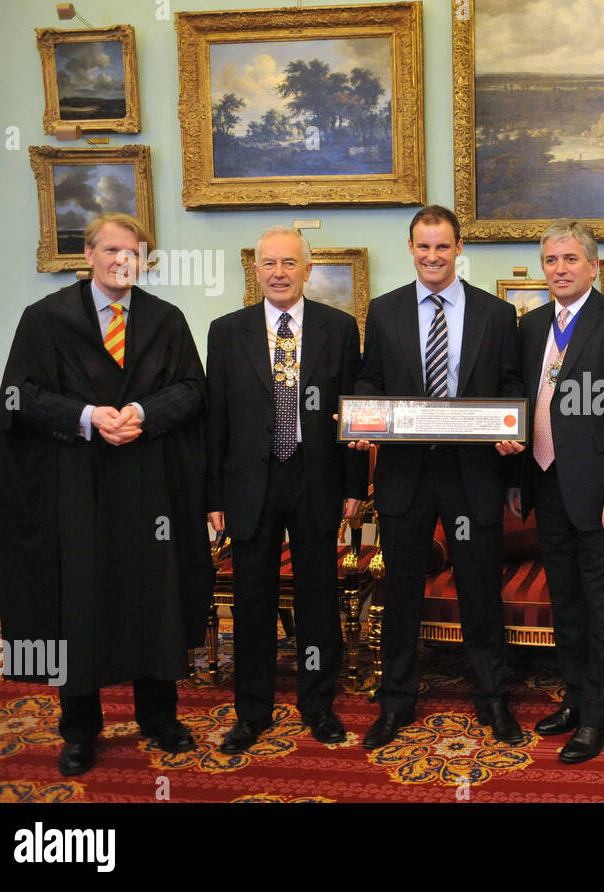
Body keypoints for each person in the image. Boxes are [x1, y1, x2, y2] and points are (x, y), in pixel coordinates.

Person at [0, 213, 211, 777]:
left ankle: (160, 718)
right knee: (79, 604)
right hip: (77, 487)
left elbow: (192, 390)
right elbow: (18, 395)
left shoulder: (167, 320)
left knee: (155, 597)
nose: (122, 260)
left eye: (133, 252)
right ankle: (80, 729)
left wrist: (140, 411)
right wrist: (88, 416)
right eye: (111, 250)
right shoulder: (45, 320)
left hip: (150, 487)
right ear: (88, 254)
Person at [351, 206, 526, 749]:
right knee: (401, 590)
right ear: (410, 247)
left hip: (472, 472)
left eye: (442, 247)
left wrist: (511, 433)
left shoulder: (497, 314)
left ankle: (492, 699)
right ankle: (395, 701)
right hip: (406, 475)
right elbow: (371, 380)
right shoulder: (383, 312)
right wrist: (364, 419)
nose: (432, 256)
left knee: (480, 591)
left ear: (458, 248)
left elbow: (511, 385)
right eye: (423, 247)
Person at [205, 226, 366, 754]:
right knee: (253, 601)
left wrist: (353, 485)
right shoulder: (226, 332)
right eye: (269, 263)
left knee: (319, 600)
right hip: (249, 482)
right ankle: (252, 711)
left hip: (314, 478)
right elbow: (216, 420)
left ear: (308, 269)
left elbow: (351, 415)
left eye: (289, 263)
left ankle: (318, 706)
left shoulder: (339, 329)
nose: (278, 272)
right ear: (255, 270)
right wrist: (215, 497)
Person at [518, 219, 604, 764]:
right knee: (566, 604)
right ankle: (574, 698)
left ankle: (598, 717)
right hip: (547, 485)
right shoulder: (530, 326)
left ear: (594, 266)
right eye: (551, 260)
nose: (560, 269)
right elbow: (524, 409)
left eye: (570, 259)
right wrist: (518, 483)